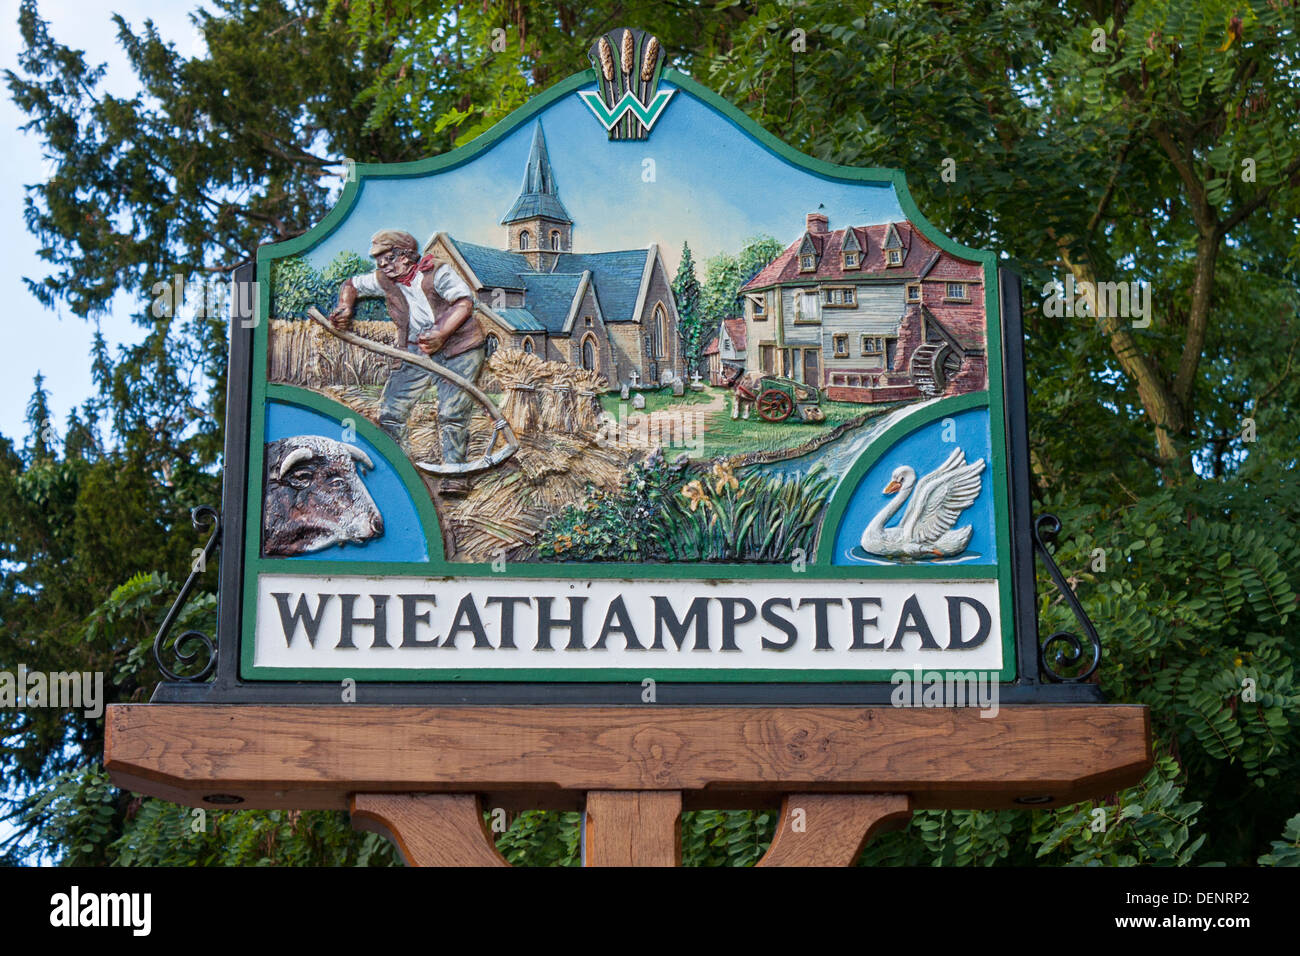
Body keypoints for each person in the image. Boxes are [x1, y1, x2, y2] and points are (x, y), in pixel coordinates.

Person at [328, 229, 484, 496]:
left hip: (459, 348)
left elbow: (463, 304)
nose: (383, 265)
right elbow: (351, 285)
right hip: (416, 350)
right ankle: (398, 467)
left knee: (452, 412)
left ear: (408, 256)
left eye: (389, 258)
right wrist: (345, 307)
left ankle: (455, 474)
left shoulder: (439, 273)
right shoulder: (384, 279)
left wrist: (441, 332)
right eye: (379, 260)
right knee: (391, 410)